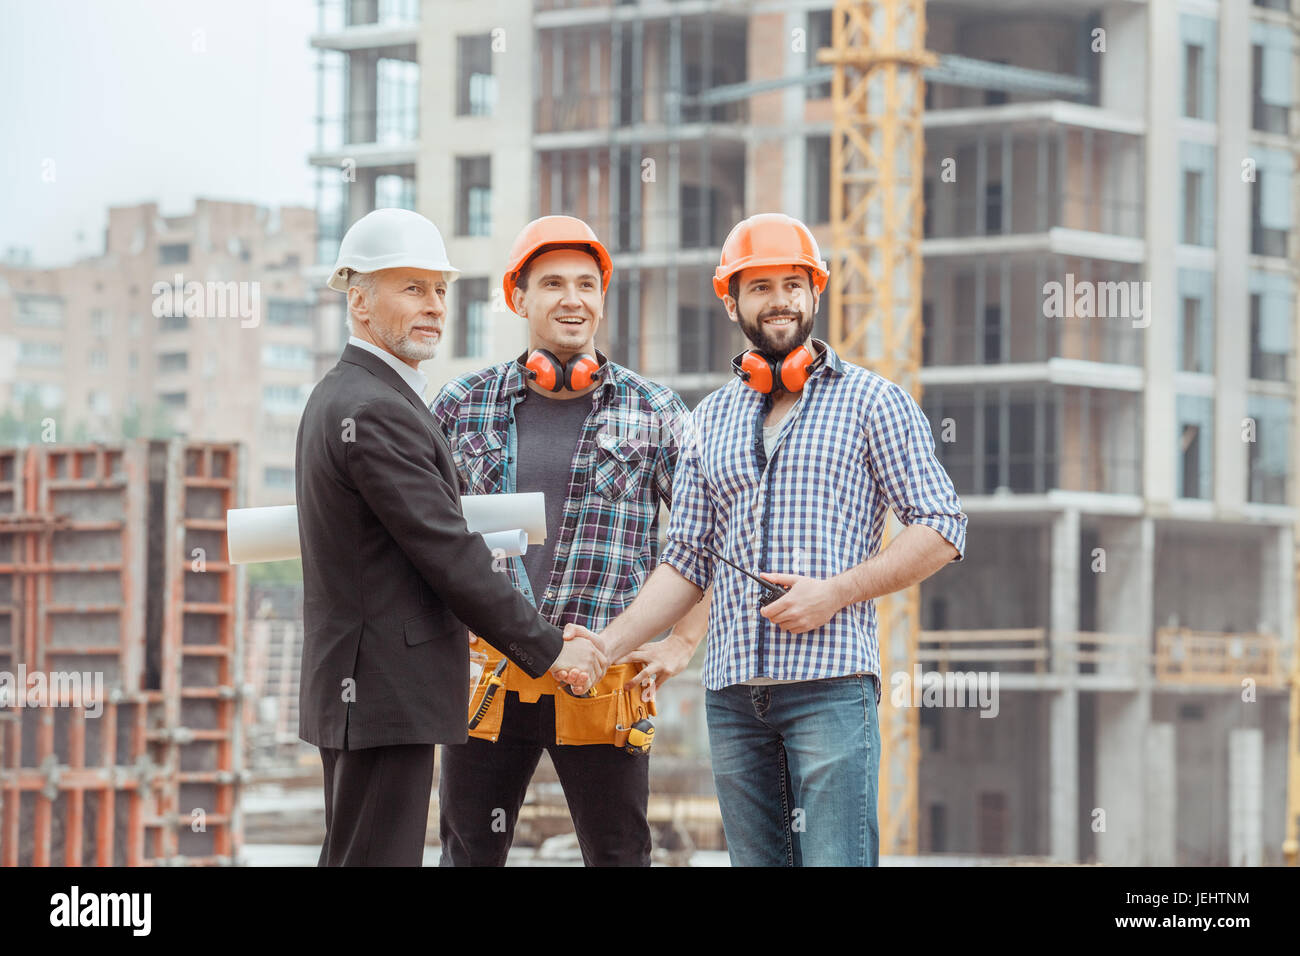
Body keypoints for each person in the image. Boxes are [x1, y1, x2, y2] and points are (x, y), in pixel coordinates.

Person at [564, 213, 968, 866]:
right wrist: (607, 645)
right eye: (759, 287)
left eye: (792, 283)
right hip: (731, 701)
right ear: (732, 300)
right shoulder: (710, 420)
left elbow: (942, 526)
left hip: (829, 688)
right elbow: (687, 562)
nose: (779, 299)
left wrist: (836, 592)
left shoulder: (875, 403)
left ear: (815, 293)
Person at [296, 208, 605, 867]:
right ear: (358, 299)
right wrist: (550, 649)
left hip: (372, 690)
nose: (434, 305)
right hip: (381, 690)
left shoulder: (360, 395)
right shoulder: (373, 408)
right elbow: (445, 550)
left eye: (440, 289)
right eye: (411, 288)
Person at [428, 215, 708, 867]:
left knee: (618, 853)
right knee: (468, 852)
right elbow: (425, 534)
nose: (572, 299)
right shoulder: (460, 405)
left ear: (603, 298)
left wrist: (681, 641)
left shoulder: (656, 410)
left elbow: (705, 534)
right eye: (552, 283)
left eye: (587, 283)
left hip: (602, 672)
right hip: (489, 673)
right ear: (517, 298)